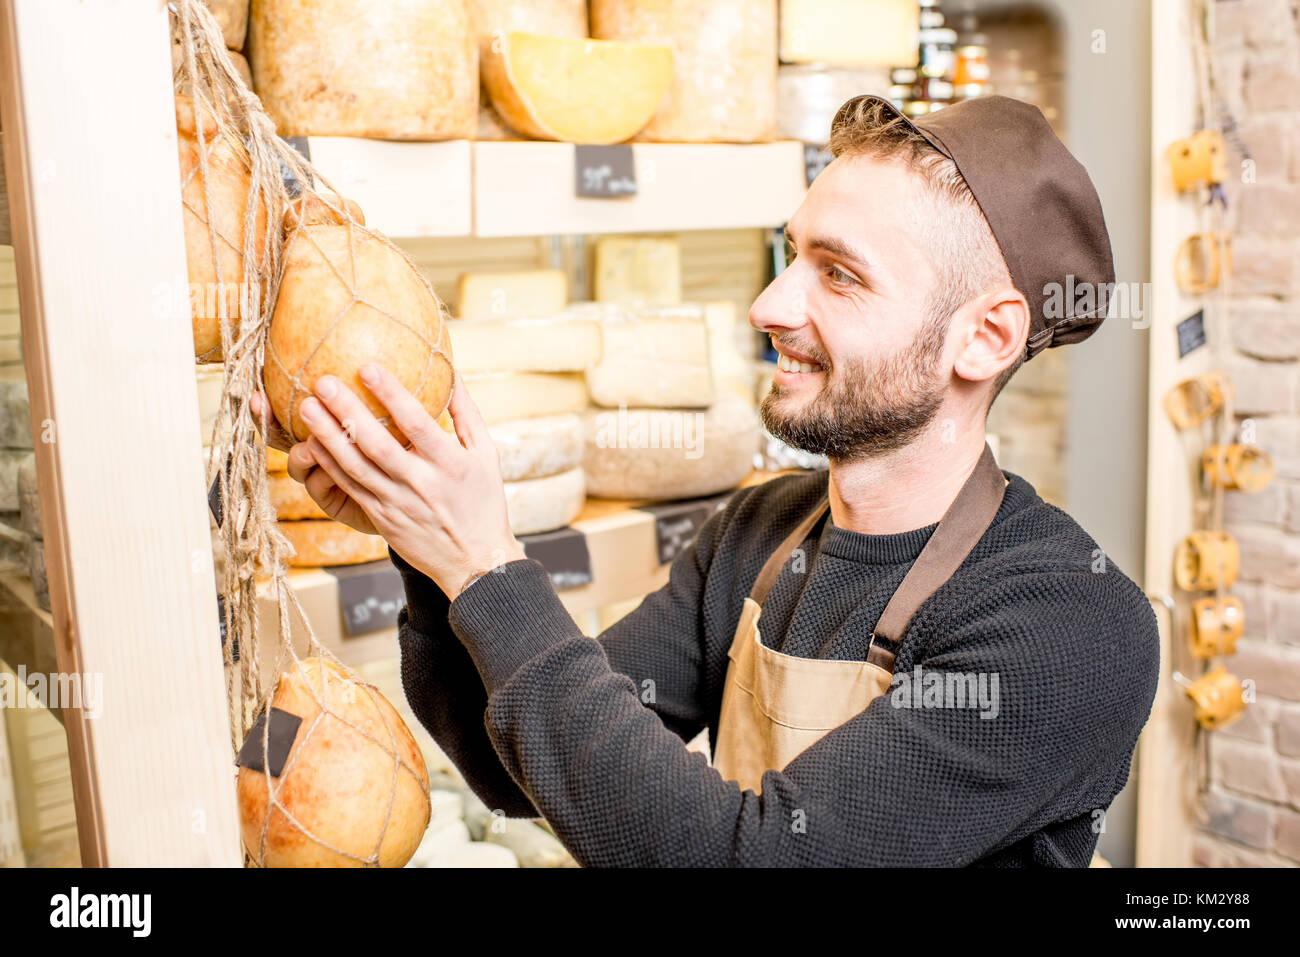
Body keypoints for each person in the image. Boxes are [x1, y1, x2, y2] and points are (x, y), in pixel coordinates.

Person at [253, 94, 1160, 867]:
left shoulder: (1068, 628)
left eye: (839, 276)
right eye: (790, 255)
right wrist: (428, 542)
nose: (768, 306)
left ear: (986, 337)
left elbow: (748, 857)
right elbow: (517, 769)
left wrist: (491, 565)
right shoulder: (761, 531)